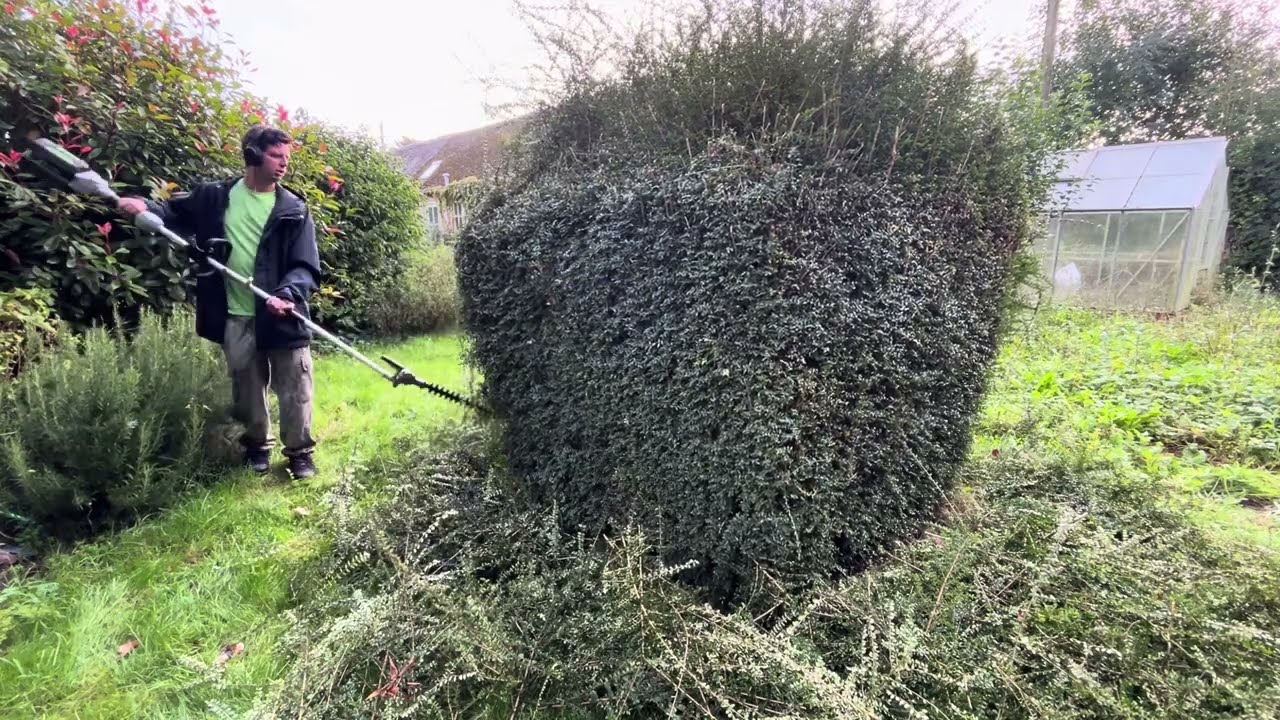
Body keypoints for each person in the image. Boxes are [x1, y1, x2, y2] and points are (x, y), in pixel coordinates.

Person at [117, 126, 322, 479]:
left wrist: (287, 294)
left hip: (283, 314)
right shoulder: (213, 197)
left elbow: (305, 265)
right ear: (253, 154)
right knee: (247, 390)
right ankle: (257, 447)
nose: (284, 164)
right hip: (235, 313)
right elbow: (170, 212)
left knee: (295, 389)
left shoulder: (294, 209)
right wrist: (143, 206)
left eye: (287, 157)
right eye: (276, 155)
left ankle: (300, 454)